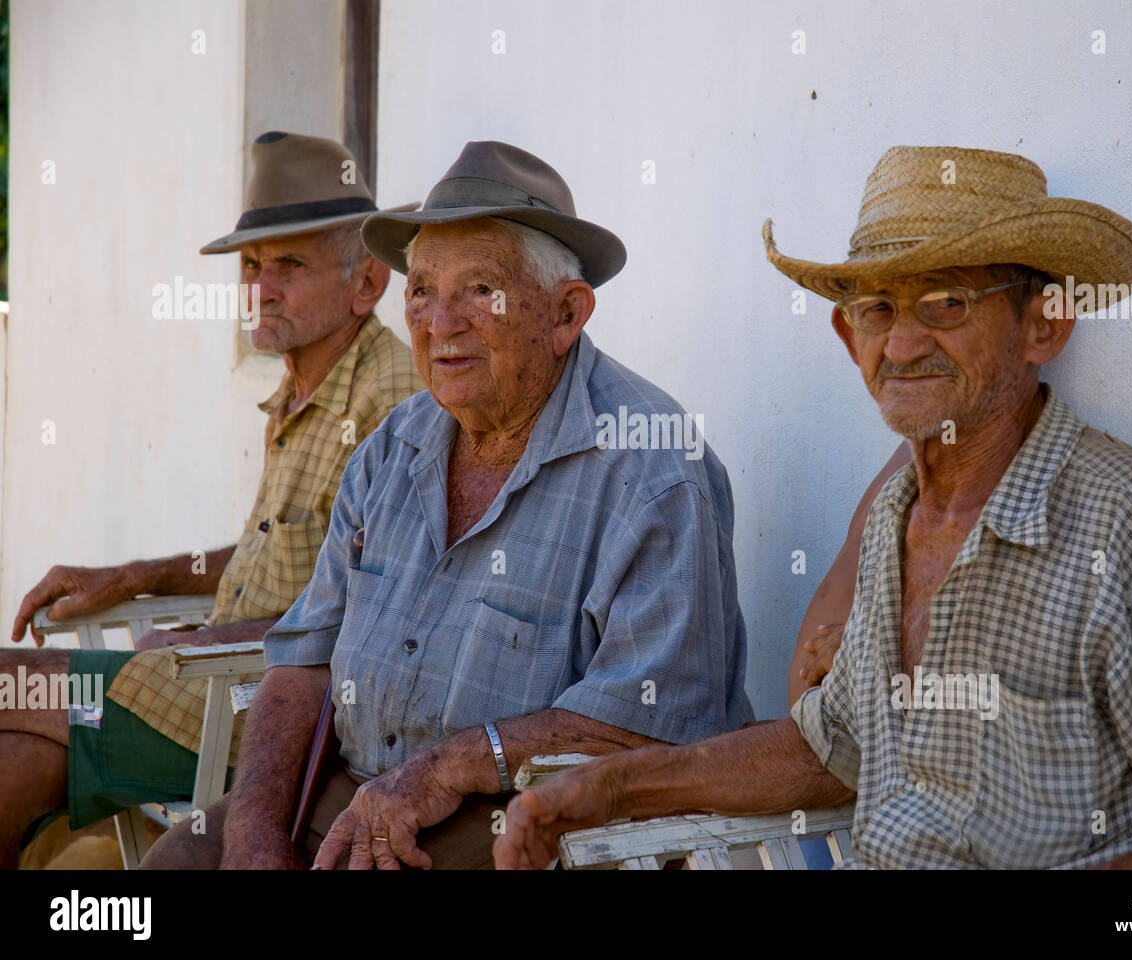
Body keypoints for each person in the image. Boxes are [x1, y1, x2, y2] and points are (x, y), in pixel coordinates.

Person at [494, 145, 1132, 870]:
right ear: (850, 338)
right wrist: (611, 788)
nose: (904, 344)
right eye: (878, 308)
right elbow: (830, 747)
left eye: (948, 303)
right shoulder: (896, 518)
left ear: (1044, 326)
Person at [140, 141, 755, 870]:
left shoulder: (652, 471)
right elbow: (304, 659)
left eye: (480, 290)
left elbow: (660, 725)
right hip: (358, 793)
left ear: (566, 314)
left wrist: (452, 766)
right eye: (423, 291)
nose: (440, 323)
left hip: (544, 826)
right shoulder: (392, 448)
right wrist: (254, 832)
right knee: (180, 862)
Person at [1, 131, 423, 868]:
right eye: (252, 265)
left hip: (259, 715)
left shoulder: (389, 401)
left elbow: (380, 615)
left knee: (10, 684)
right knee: (18, 762)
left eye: (290, 264)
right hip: (206, 685)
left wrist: (210, 642)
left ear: (367, 283)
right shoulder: (304, 383)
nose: (261, 287)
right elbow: (287, 552)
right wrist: (132, 578)